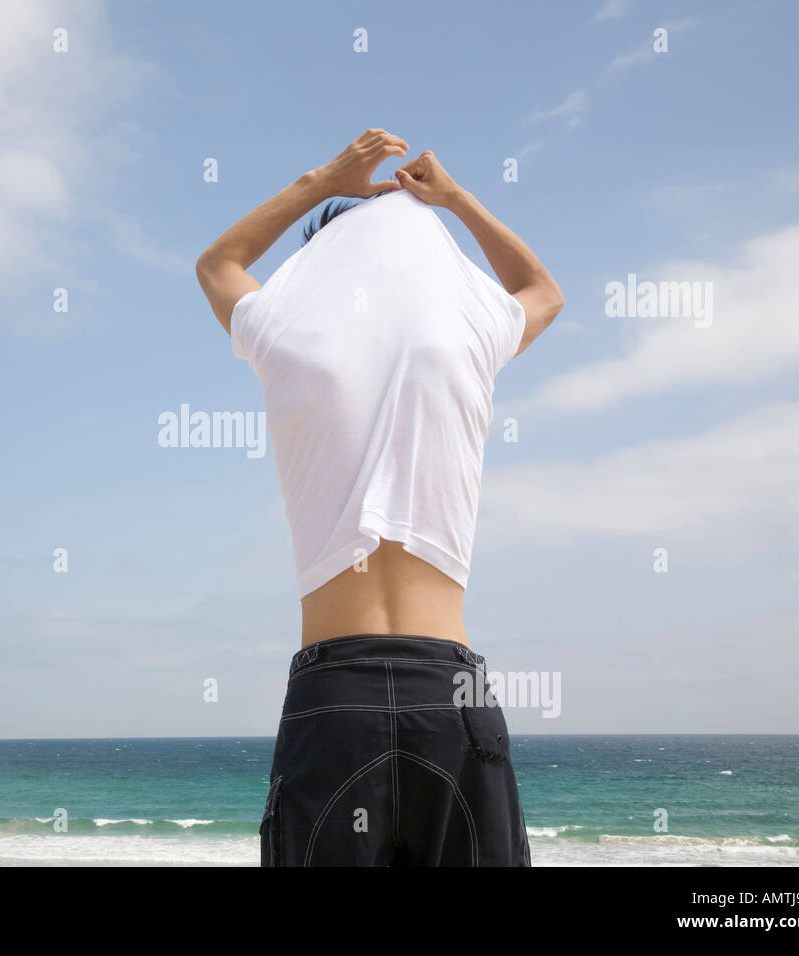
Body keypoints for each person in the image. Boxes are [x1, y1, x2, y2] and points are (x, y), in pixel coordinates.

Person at [195, 129, 562, 866]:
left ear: (322, 256)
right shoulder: (466, 331)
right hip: (450, 693)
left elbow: (218, 263)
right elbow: (544, 292)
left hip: (337, 695)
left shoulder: (284, 334)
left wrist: (323, 179)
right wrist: (455, 200)